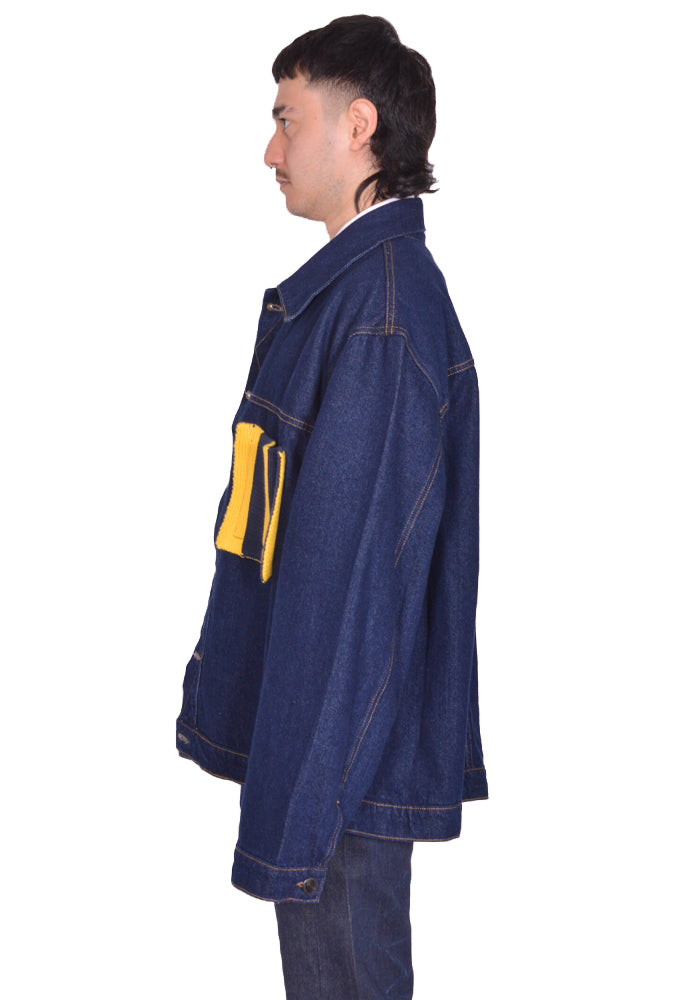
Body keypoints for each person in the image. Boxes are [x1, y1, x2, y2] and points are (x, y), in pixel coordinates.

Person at [175, 14, 488, 999]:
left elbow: (352, 594)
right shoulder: (354, 301)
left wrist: (304, 798)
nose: (270, 151)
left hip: (340, 762)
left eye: (286, 119)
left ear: (358, 126)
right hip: (331, 743)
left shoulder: (378, 316)